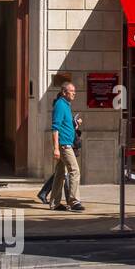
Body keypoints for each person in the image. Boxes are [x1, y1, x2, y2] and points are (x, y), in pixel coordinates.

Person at [50, 81, 84, 212]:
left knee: (59, 174)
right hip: (64, 145)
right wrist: (56, 148)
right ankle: (74, 201)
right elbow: (55, 128)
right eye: (72, 91)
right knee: (75, 171)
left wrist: (75, 123)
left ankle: (54, 203)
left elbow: (65, 125)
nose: (74, 93)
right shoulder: (60, 105)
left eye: (74, 90)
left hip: (66, 144)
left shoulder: (66, 105)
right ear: (64, 92)